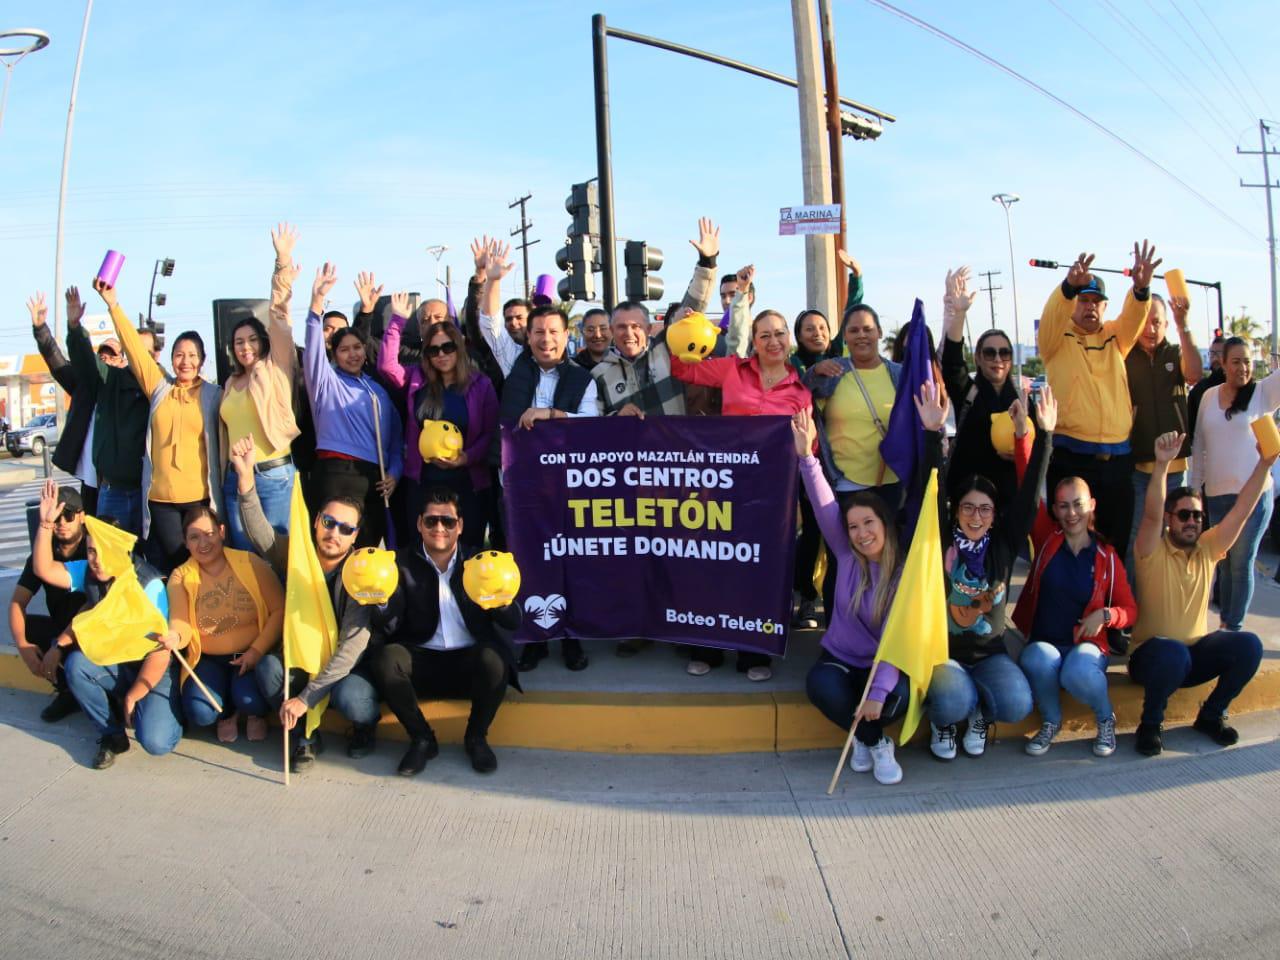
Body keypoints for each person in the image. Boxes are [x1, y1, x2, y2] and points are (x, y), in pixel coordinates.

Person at [791, 388, 941, 785]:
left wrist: (878, 692)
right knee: (819, 685)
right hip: (842, 660)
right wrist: (807, 457)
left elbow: (896, 641)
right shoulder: (845, 554)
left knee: (898, 699)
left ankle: (867, 730)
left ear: (884, 524)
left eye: (868, 524)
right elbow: (824, 507)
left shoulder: (905, 572)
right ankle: (873, 742)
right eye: (854, 527)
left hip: (885, 663)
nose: (860, 533)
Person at [672, 309, 813, 682]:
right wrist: (687, 329)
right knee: (713, 565)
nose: (773, 341)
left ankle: (754, 652)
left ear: (789, 339)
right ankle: (707, 647)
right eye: (764, 334)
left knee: (760, 572)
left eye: (779, 333)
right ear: (753, 340)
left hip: (770, 496)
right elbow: (682, 368)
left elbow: (806, 448)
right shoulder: (732, 369)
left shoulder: (801, 393)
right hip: (721, 489)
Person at [226, 439, 384, 770]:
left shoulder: (360, 573)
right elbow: (261, 536)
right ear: (316, 522)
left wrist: (303, 698)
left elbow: (351, 649)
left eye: (345, 528)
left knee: (354, 701)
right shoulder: (297, 553)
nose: (334, 533)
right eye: (329, 522)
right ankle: (305, 735)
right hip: (300, 659)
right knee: (269, 671)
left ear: (355, 536)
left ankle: (364, 730)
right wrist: (245, 482)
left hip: (342, 670)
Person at [478, 242, 596, 672]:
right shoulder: (515, 366)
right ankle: (534, 637)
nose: (545, 339)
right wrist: (493, 280)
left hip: (567, 489)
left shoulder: (584, 380)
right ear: (527, 337)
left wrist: (548, 414)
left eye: (553, 332)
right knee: (524, 562)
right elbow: (490, 323)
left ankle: (571, 637)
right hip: (519, 490)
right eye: (538, 332)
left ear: (567, 337)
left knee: (570, 561)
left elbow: (591, 425)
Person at [925, 388, 1055, 761]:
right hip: (945, 653)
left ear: (995, 515)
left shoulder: (1003, 542)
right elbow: (931, 487)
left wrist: (1041, 435)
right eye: (968, 508)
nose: (976, 516)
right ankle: (945, 721)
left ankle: (981, 712)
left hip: (991, 654)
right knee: (953, 699)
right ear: (955, 511)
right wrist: (934, 435)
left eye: (984, 509)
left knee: (1016, 703)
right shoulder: (941, 536)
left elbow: (1030, 496)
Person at [1128, 431, 1271, 755]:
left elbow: (1241, 511)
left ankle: (1211, 715)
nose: (1191, 521)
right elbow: (1150, 514)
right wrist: (1162, 465)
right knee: (1172, 653)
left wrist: (1264, 464)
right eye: (1183, 515)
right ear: (1169, 520)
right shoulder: (1152, 549)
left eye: (1196, 515)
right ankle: (1151, 724)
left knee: (1249, 645)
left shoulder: (1208, 547)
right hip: (1152, 658)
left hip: (1193, 658)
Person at [370, 487, 522, 776]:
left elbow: (514, 621)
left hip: (467, 663)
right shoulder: (398, 564)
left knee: (495, 659)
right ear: (419, 524)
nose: (439, 528)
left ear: (460, 526)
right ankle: (422, 739)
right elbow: (387, 624)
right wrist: (379, 602)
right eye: (431, 521)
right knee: (386, 658)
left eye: (448, 522)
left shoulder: (480, 562)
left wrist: (500, 602)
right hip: (421, 660)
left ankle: (476, 737)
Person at [32, 483, 179, 769]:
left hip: (151, 667)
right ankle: (112, 736)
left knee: (156, 742)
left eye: (101, 551)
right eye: (89, 551)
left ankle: (168, 710)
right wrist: (45, 524)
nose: (95, 560)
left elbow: (161, 653)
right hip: (116, 662)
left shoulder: (149, 585)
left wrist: (135, 694)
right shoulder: (90, 571)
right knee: (76, 665)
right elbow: (44, 570)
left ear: (120, 548)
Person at [1039, 242, 1161, 560]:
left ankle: (1108, 607)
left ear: (1105, 308)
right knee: (1066, 549)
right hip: (1071, 460)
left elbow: (1135, 315)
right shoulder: (1055, 338)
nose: (1090, 306)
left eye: (1097, 301)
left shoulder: (1115, 337)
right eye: (1083, 299)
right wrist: (1067, 288)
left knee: (1113, 549)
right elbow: (1052, 312)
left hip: (1118, 465)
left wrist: (1141, 287)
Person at [94, 278, 223, 573]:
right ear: (171, 359)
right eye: (179, 355)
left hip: (199, 501)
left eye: (192, 356)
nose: (185, 361)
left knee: (202, 565)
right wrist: (113, 305)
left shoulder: (214, 395)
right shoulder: (158, 388)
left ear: (202, 360)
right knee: (174, 567)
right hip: (161, 502)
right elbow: (135, 351)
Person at [1012, 471, 1137, 758]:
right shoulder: (1046, 537)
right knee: (1036, 657)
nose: (1071, 513)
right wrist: (1024, 435)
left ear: (1091, 505)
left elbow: (1130, 610)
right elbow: (1028, 481)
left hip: (1087, 648)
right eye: (1063, 505)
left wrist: (1106, 616)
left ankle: (1105, 719)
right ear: (1054, 510)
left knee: (1077, 672)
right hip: (1047, 642)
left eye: (1078, 504)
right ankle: (1051, 721)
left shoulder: (1107, 555)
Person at [155, 505, 284, 743]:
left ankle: (250, 710)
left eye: (209, 533)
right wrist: (175, 636)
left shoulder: (249, 562)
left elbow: (279, 609)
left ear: (222, 532)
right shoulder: (180, 576)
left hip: (249, 655)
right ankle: (227, 713)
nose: (203, 542)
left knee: (251, 700)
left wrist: (256, 652)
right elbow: (181, 623)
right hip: (207, 659)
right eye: (194, 537)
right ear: (185, 542)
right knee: (201, 712)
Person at [379, 295, 498, 545]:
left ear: (459, 347)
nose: (441, 354)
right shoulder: (416, 379)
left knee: (468, 549)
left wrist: (467, 457)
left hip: (467, 483)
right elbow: (387, 366)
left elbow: (490, 433)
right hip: (423, 482)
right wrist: (397, 321)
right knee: (425, 550)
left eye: (448, 347)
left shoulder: (480, 384)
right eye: (433, 350)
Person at [302, 263, 404, 549]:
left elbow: (397, 441)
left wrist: (394, 473)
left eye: (357, 348)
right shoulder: (325, 381)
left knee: (366, 555)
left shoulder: (379, 391)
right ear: (334, 353)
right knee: (333, 550)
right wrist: (316, 303)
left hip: (373, 482)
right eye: (344, 349)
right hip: (335, 476)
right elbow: (312, 349)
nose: (352, 354)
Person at [218, 223, 302, 551]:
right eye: (239, 342)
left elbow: (279, 315)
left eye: (252, 339)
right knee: (246, 563)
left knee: (279, 558)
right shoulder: (230, 382)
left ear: (263, 342)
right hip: (236, 478)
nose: (245, 346)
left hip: (274, 478)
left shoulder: (275, 367)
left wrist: (282, 262)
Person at [592, 217, 724, 418]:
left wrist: (707, 262)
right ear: (611, 331)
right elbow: (591, 427)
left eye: (636, 326)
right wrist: (615, 419)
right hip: (630, 448)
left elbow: (693, 306)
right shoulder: (599, 374)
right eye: (620, 327)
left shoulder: (668, 348)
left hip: (675, 447)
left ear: (647, 329)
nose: (628, 333)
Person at [1190, 337, 1280, 631]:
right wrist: (1194, 491)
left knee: (1241, 563)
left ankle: (1233, 628)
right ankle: (1226, 624)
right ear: (1223, 364)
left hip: (1254, 498)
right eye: (1237, 361)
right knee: (1223, 563)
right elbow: (1199, 446)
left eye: (1248, 362)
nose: (1243, 368)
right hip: (1216, 497)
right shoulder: (1208, 397)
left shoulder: (1263, 393)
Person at [940, 267, 1028, 510]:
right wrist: (959, 314)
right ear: (978, 358)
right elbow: (952, 361)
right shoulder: (968, 391)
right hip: (970, 499)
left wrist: (1021, 451)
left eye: (1004, 352)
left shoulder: (1022, 400)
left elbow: (1035, 450)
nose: (997, 358)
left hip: (1010, 499)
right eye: (989, 352)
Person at [66, 293, 151, 536]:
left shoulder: (162, 388)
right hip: (113, 491)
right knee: (110, 560)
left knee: (152, 564)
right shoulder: (110, 379)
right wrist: (75, 328)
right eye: (135, 349)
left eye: (146, 352)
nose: (140, 357)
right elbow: (86, 362)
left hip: (151, 495)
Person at [1126, 293, 1201, 562]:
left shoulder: (1176, 351)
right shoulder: (1125, 356)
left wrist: (1184, 326)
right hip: (1139, 468)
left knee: (1174, 536)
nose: (1150, 328)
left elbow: (1194, 373)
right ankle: (1134, 602)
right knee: (1139, 535)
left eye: (1157, 322)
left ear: (1166, 324)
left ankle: (1170, 598)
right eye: (1145, 322)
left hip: (1174, 468)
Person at [10, 484, 87, 722]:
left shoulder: (93, 551)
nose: (62, 522)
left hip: (90, 628)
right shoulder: (43, 554)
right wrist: (23, 646)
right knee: (27, 627)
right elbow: (17, 602)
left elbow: (95, 607)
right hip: (61, 629)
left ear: (82, 517)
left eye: (69, 514)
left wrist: (59, 646)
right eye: (56, 516)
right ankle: (67, 692)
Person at [28, 290, 98, 515]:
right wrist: (41, 329)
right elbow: (54, 357)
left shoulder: (125, 392)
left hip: (120, 486)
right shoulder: (83, 386)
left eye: (114, 355)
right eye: (103, 355)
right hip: (90, 482)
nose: (107, 359)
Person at [1186, 335, 1226, 444]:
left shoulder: (1241, 388)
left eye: (1220, 353)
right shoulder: (1198, 391)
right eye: (1212, 354)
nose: (1215, 358)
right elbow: (1191, 431)